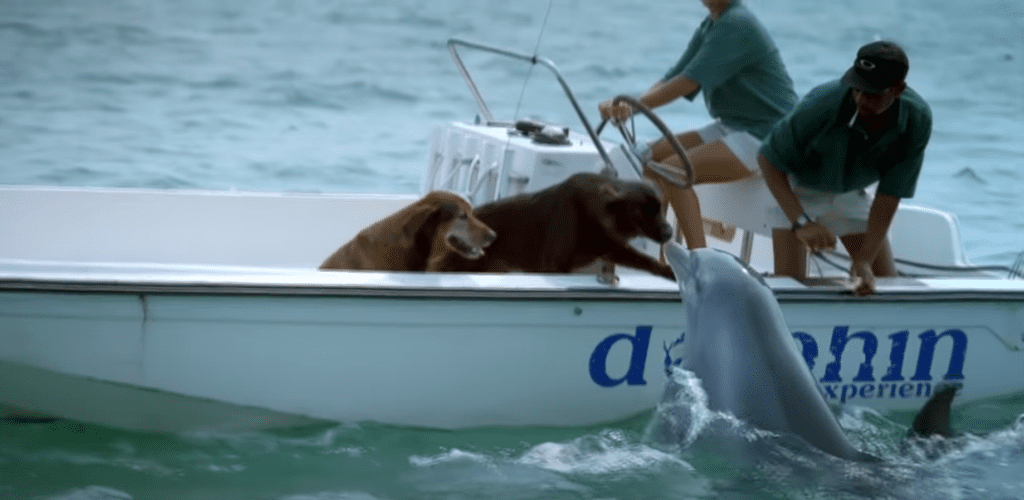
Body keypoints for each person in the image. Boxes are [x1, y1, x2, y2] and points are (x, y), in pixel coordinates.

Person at [599, 0, 797, 249]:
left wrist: (633, 108)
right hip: (733, 124)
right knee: (650, 162)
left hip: (768, 134)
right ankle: (666, 253)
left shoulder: (737, 24)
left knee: (672, 173)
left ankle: (699, 260)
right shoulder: (711, 24)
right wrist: (632, 105)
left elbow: (687, 83)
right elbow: (674, 76)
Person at [758, 40, 933, 296]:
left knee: (885, 284)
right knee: (789, 288)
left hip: (852, 190)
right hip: (799, 186)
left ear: (898, 89)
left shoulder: (916, 119)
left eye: (873, 92)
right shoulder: (822, 104)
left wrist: (863, 259)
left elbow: (889, 195)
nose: (861, 98)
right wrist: (801, 222)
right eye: (858, 88)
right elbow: (768, 159)